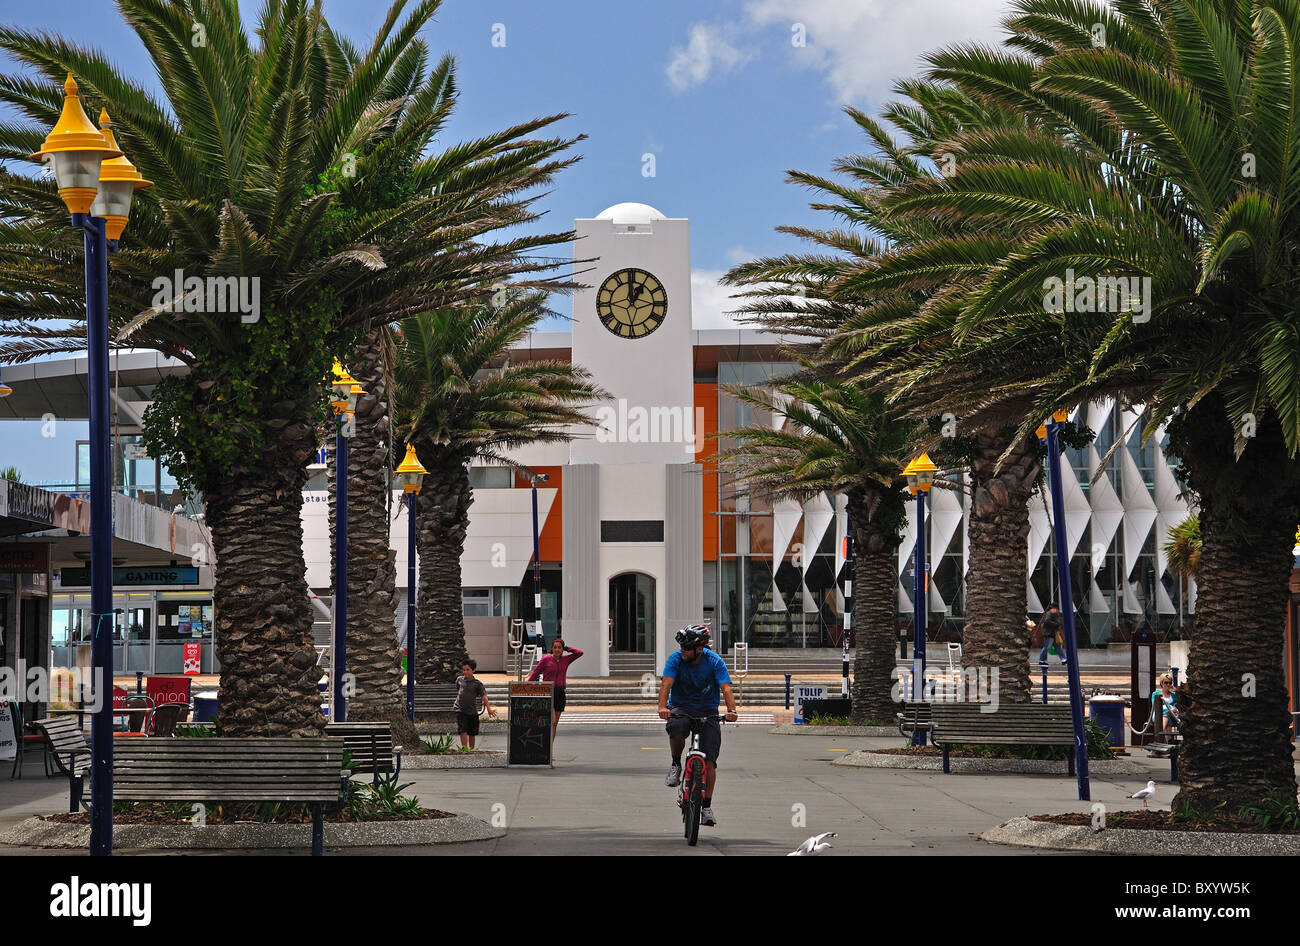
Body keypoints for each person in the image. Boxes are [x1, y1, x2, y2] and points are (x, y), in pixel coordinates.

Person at [658, 624, 738, 828]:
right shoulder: (675, 659)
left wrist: (732, 710)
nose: (682, 650)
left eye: (687, 647)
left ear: (699, 649)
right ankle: (676, 764)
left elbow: (726, 688)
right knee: (676, 728)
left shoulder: (714, 661)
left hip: (708, 711)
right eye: (682, 646)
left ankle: (707, 807)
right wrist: (661, 707)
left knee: (709, 762)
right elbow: (666, 684)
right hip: (681, 707)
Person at [527, 637, 583, 742]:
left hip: (560, 692)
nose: (557, 649)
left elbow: (579, 653)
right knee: (551, 721)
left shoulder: (566, 659)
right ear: (552, 648)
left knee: (555, 723)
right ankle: (544, 746)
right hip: (548, 692)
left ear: (562, 649)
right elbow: (535, 673)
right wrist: (526, 686)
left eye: (559, 647)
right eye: (555, 647)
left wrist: (567, 648)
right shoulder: (546, 659)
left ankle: (549, 749)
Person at [453, 659, 496, 749]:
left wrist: (489, 709)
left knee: (472, 732)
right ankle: (464, 748)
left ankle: (471, 749)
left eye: (467, 669)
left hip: (472, 711)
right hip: (460, 709)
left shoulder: (477, 684)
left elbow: (484, 696)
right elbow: (459, 689)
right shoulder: (459, 680)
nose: (465, 672)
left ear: (473, 670)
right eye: (464, 670)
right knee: (463, 729)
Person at [1151, 673, 1180, 737]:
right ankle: (1165, 738)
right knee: (1166, 714)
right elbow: (1156, 706)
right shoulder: (1155, 694)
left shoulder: (1173, 695)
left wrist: (1176, 691)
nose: (1168, 684)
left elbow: (1180, 703)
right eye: (1166, 683)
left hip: (1171, 715)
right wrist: (1170, 709)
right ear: (1161, 683)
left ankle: (1167, 743)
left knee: (1168, 716)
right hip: (1159, 714)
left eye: (1170, 683)